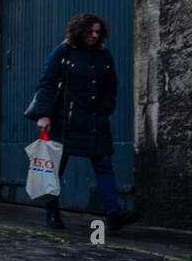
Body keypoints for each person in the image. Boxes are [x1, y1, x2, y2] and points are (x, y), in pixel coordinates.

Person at [24, 13, 139, 233]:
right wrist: (44, 114)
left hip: (96, 121)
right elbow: (47, 84)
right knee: (55, 169)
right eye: (90, 32)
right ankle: (51, 214)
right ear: (79, 31)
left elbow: (111, 86)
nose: (94, 36)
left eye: (98, 32)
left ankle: (113, 215)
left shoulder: (104, 56)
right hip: (66, 121)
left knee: (104, 165)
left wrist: (107, 108)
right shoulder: (63, 52)